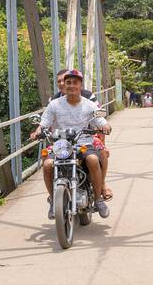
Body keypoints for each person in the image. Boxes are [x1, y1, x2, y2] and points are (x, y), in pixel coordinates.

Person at [30, 70, 111, 220]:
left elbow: (101, 121)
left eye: (75, 82)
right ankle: (53, 201)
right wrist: (38, 131)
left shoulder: (90, 105)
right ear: (64, 85)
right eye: (68, 83)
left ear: (80, 85)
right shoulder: (54, 105)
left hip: (84, 143)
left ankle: (98, 199)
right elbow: (44, 123)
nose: (71, 85)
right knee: (47, 164)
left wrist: (105, 126)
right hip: (61, 145)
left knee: (93, 160)